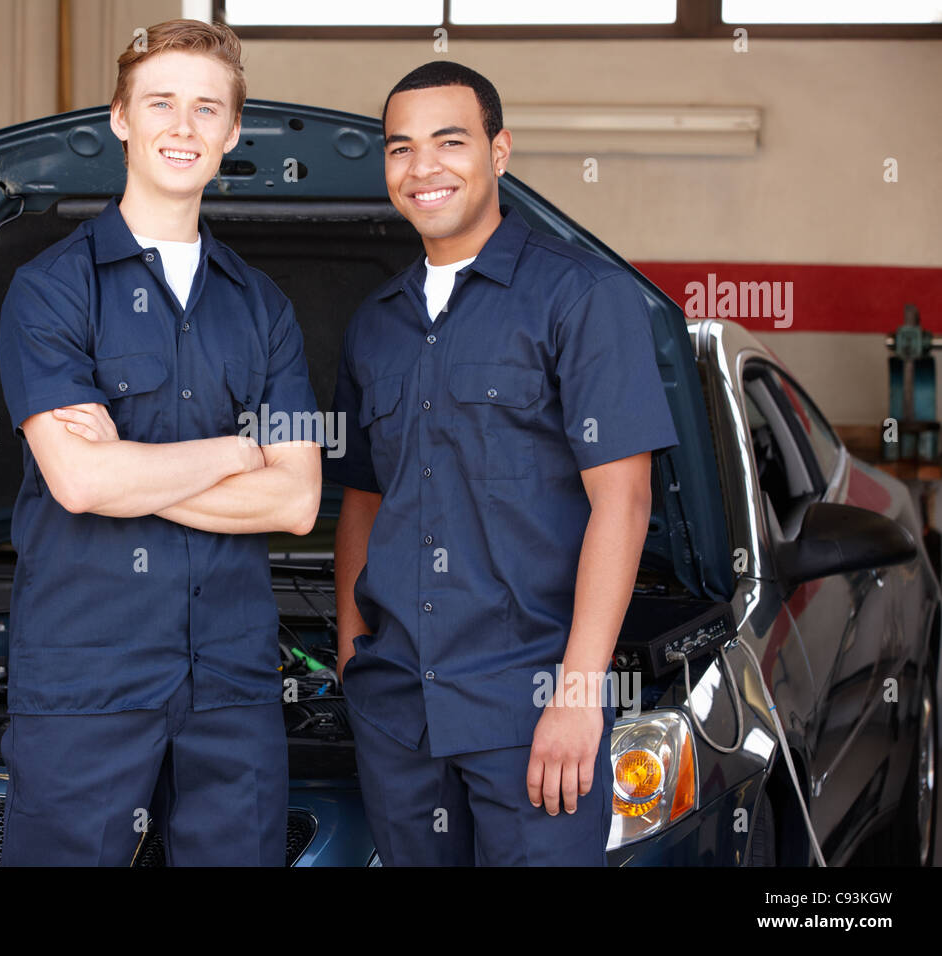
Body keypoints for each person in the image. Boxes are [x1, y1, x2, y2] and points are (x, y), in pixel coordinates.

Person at [327, 61, 679, 865]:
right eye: (400, 148)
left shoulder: (582, 298)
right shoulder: (374, 325)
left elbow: (622, 502)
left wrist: (579, 697)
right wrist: (354, 658)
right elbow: (363, 503)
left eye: (450, 141)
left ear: (500, 151)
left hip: (531, 710)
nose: (423, 168)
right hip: (399, 713)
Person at [0, 18, 321, 866]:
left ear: (233, 132)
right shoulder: (50, 292)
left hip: (232, 685)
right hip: (84, 681)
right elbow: (78, 484)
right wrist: (234, 450)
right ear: (121, 118)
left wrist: (127, 469)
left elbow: (297, 501)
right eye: (162, 104)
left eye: (207, 109)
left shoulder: (264, 307)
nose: (184, 127)